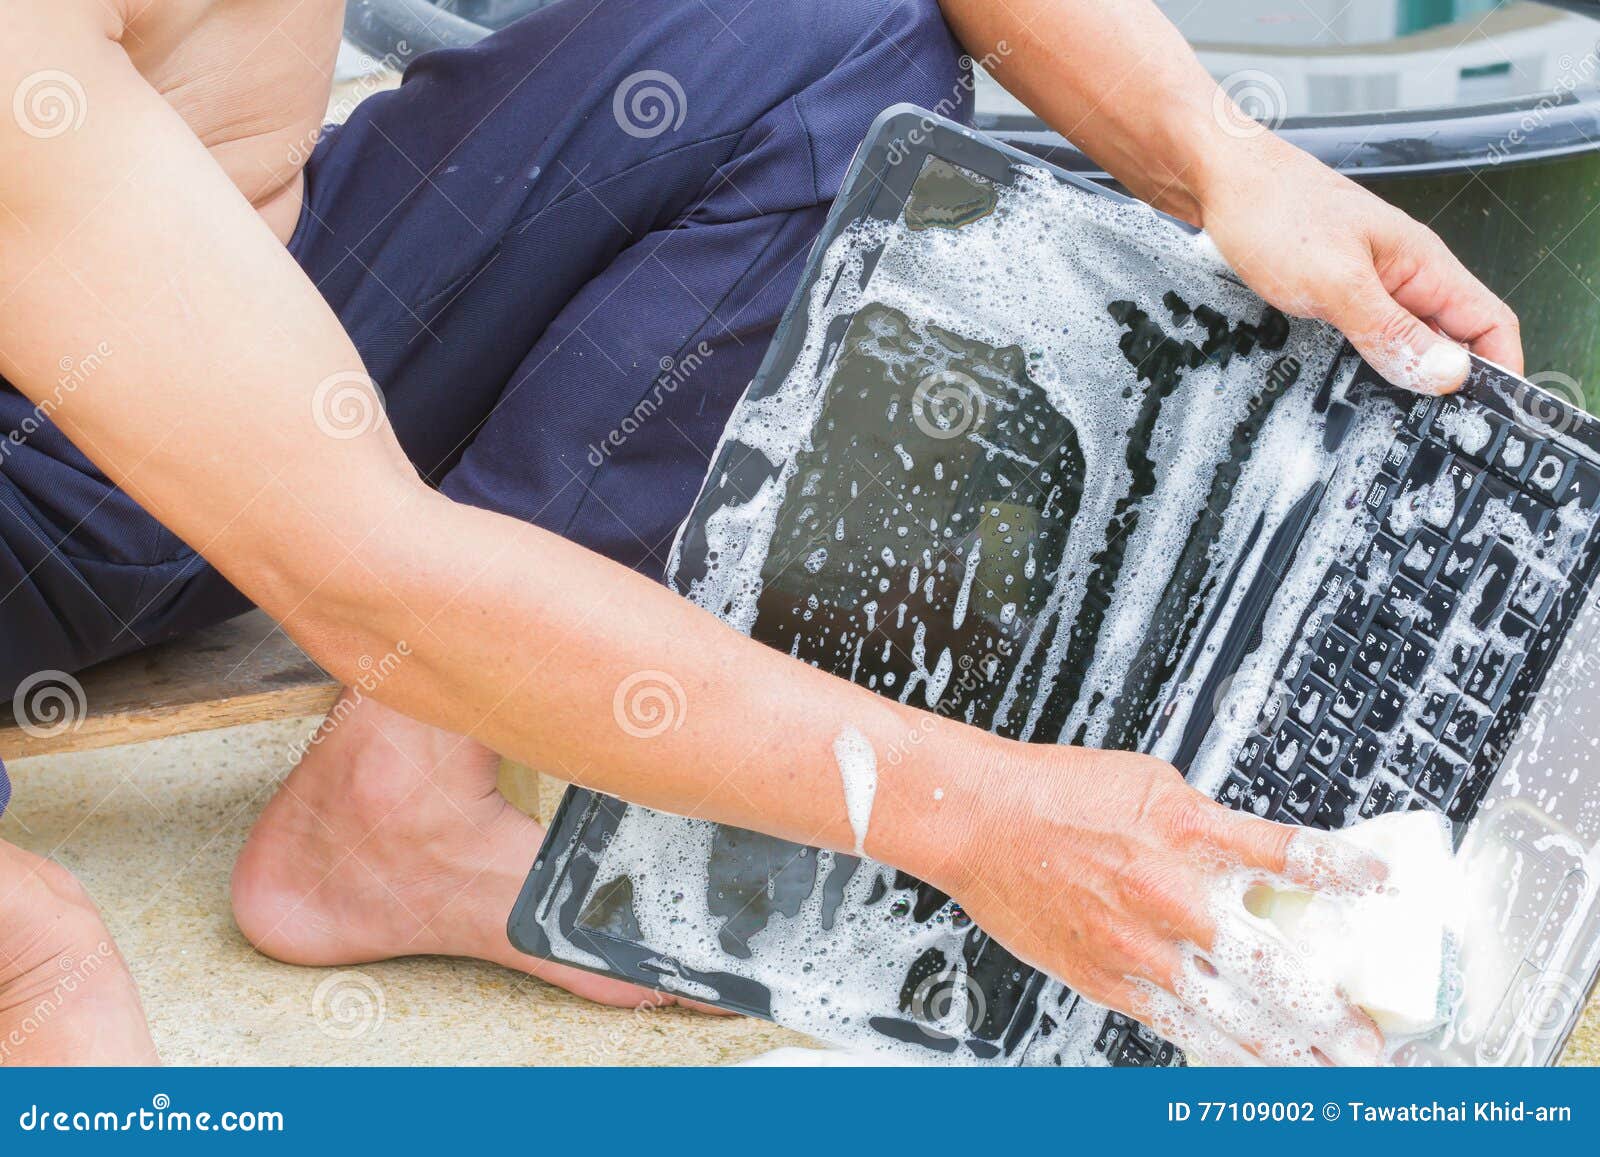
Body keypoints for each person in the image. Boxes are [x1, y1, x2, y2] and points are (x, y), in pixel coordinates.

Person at [0, 0, 1520, 1066]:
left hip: (229, 258)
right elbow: (353, 566)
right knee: (46, 945)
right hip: (53, 469)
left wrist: (1226, 159)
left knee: (829, 28)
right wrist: (978, 818)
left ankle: (393, 794)